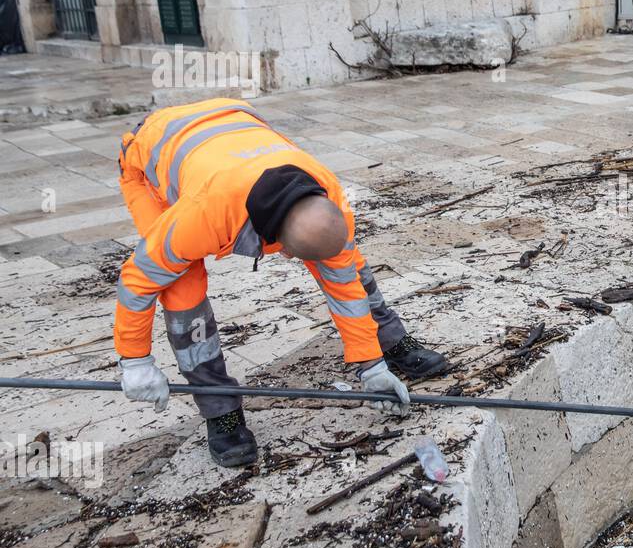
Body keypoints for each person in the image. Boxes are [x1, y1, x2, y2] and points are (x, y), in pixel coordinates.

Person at [113, 97, 450, 467]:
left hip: (229, 117)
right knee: (182, 289)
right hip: (149, 155)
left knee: (348, 264)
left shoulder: (328, 193)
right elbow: (137, 280)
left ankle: (389, 343)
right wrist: (135, 361)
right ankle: (219, 408)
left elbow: (344, 287)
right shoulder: (204, 216)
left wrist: (370, 366)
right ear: (284, 251)